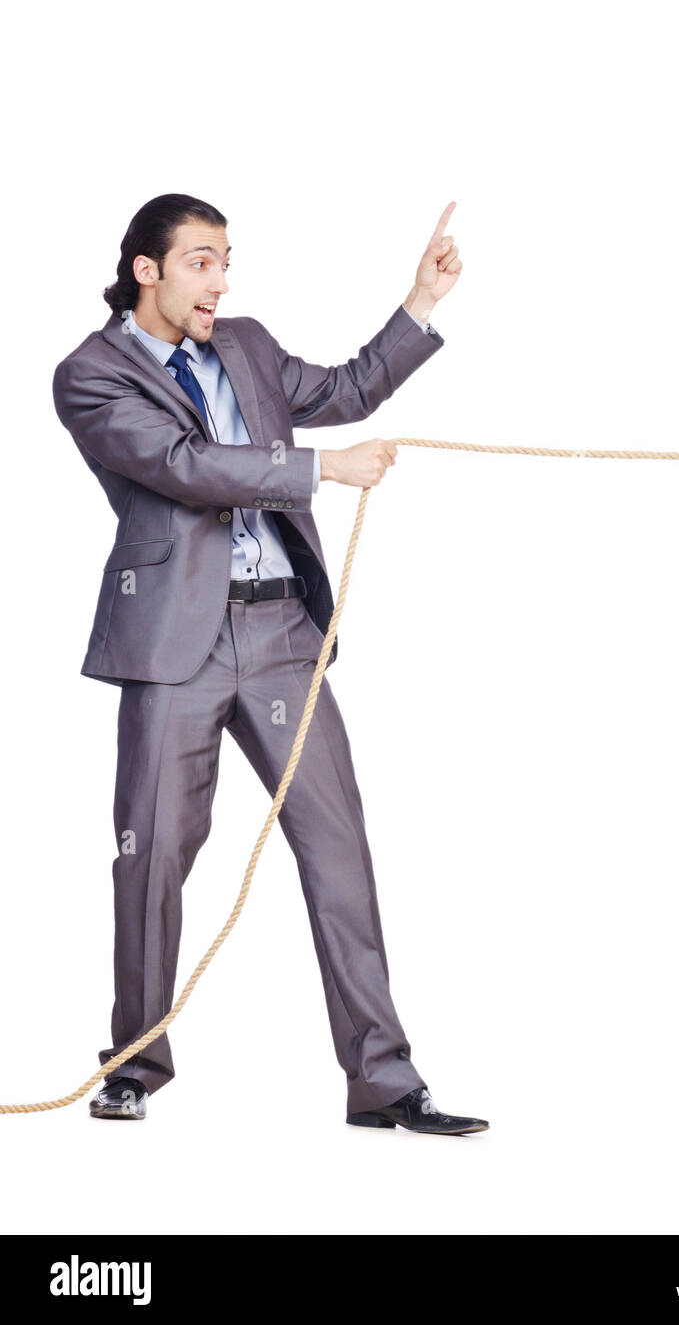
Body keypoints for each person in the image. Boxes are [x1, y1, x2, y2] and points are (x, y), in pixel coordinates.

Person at [52, 193, 488, 1136]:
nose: (222, 280)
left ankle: (383, 1083)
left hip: (283, 634)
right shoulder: (88, 374)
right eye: (202, 262)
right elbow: (182, 463)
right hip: (176, 646)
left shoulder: (244, 345)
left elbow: (342, 391)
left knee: (339, 852)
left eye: (226, 260)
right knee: (153, 857)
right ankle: (134, 1062)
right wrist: (319, 471)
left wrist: (417, 304)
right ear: (148, 271)